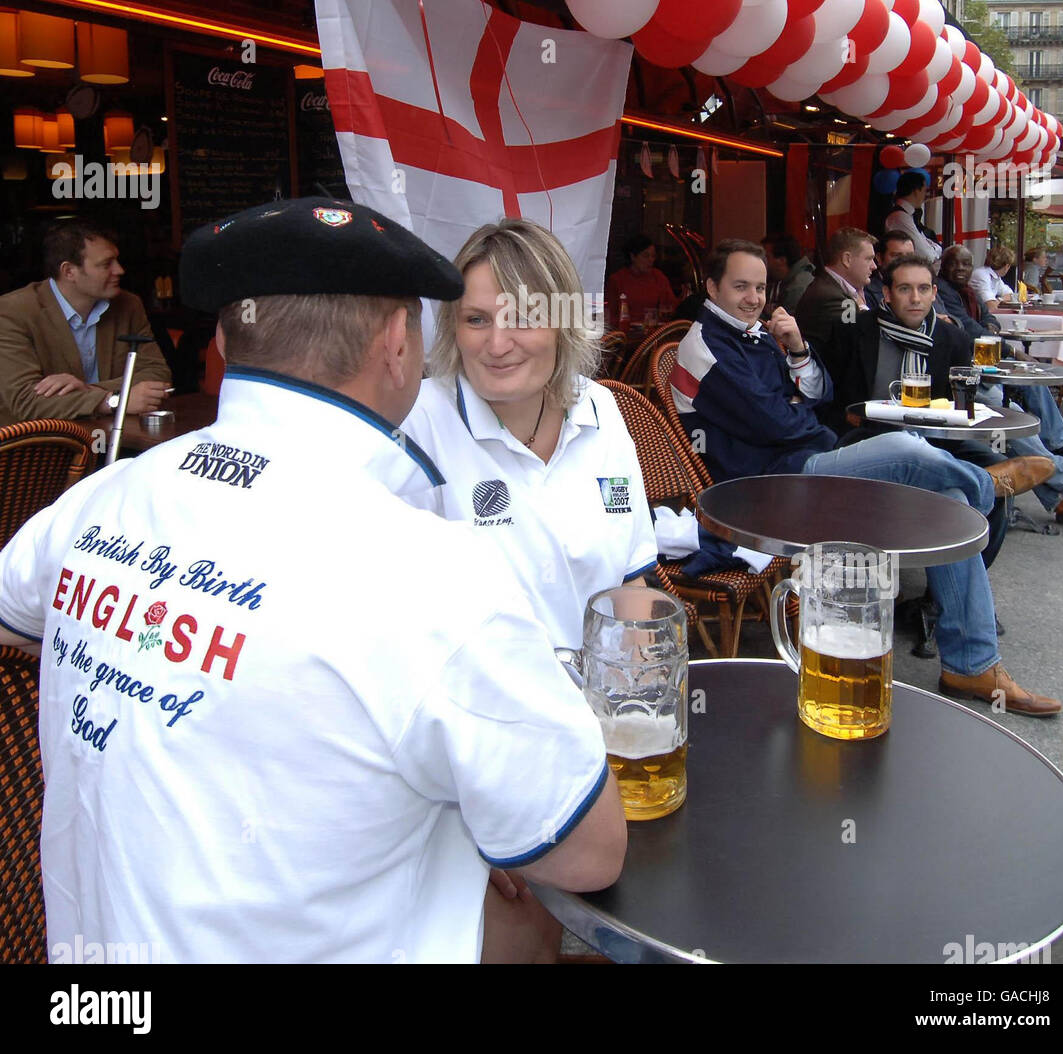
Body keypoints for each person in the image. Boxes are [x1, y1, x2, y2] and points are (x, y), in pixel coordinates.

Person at [0, 198, 626, 964]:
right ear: (400, 341)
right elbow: (590, 856)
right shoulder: (436, 574)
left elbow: (14, 620)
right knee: (532, 916)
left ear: (226, 339)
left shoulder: (100, 499)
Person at [670, 239, 1061, 715]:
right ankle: (991, 485)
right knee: (904, 447)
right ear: (711, 287)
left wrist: (795, 348)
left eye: (759, 286)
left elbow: (819, 391)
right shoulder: (708, 347)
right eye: (740, 287)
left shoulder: (752, 334)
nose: (753, 297)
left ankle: (971, 664)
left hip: (804, 462)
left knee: (949, 498)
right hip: (769, 489)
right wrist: (797, 406)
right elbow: (778, 422)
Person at [402, 218, 658, 654]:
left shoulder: (600, 408)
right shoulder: (417, 424)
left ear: (562, 323)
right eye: (477, 319)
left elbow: (632, 579)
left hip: (598, 699)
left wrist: (635, 691)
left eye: (522, 318)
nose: (498, 344)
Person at [936, 245, 1063, 477]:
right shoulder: (942, 291)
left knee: (1029, 377)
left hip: (983, 359)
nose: (960, 268)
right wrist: (1010, 348)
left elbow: (989, 318)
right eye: (954, 263)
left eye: (966, 263)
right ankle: (1058, 471)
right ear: (943, 265)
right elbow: (967, 330)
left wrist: (990, 329)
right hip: (966, 371)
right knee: (1006, 405)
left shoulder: (967, 291)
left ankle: (1058, 444)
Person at [0, 217, 172, 426]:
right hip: (39, 447)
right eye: (106, 264)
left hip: (114, 437)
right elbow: (25, 400)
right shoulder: (12, 312)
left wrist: (86, 389)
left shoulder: (129, 305)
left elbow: (157, 374)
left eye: (116, 260)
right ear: (69, 271)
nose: (119, 270)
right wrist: (113, 401)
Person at [794, 227, 875, 350]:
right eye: (869, 259)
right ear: (847, 259)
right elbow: (864, 335)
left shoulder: (831, 288)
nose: (874, 266)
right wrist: (862, 306)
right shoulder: (831, 297)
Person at [606, 233, 676, 327]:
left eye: (653, 256)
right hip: (626, 332)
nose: (651, 260)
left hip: (654, 330)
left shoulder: (658, 277)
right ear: (633, 257)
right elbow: (610, 314)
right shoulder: (618, 280)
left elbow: (671, 306)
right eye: (646, 256)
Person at [884, 171, 942, 262]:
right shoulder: (900, 218)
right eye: (924, 191)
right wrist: (936, 249)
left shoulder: (908, 216)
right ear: (916, 191)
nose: (925, 196)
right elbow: (927, 255)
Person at [762, 233, 815, 312]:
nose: (762, 262)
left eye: (766, 257)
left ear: (781, 260)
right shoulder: (790, 279)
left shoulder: (796, 288)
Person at [865, 230, 918, 309]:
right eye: (897, 256)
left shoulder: (924, 285)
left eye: (909, 256)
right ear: (879, 258)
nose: (904, 261)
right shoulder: (867, 292)